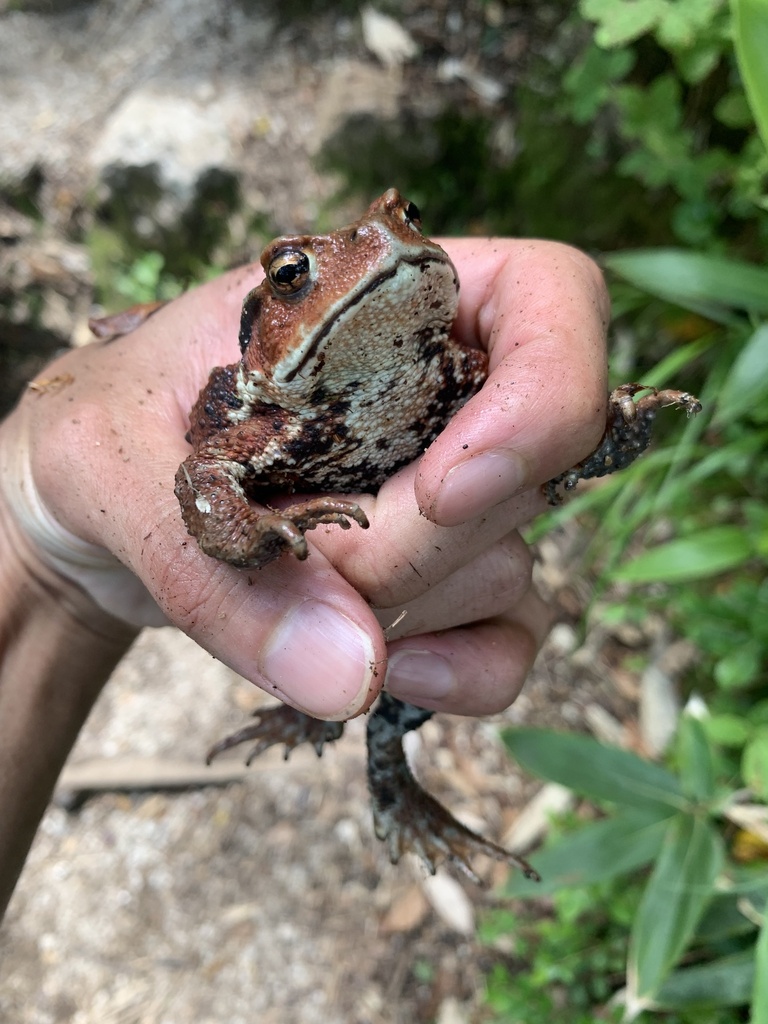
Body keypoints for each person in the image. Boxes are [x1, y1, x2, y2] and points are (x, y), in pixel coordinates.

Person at [0, 237, 610, 919]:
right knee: (381, 629)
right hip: (309, 523)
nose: (387, 245)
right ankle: (341, 736)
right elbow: (205, 474)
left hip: (397, 559)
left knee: (415, 636)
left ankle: (371, 758)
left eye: (407, 220)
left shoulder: (457, 368)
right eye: (293, 276)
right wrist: (250, 532)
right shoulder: (261, 415)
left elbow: (532, 408)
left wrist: (591, 427)